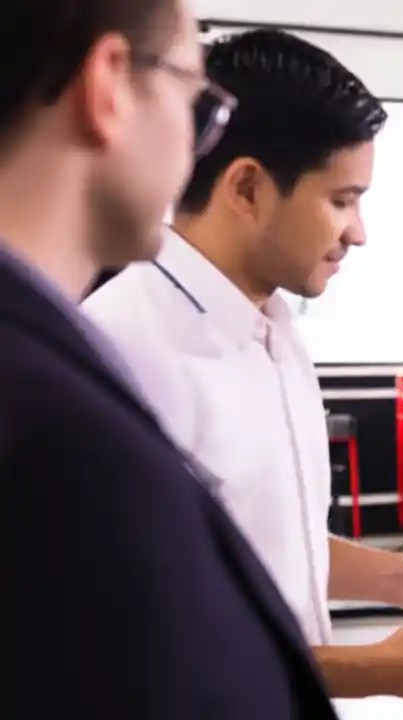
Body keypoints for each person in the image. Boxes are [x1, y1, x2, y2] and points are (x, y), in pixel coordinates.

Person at [81, 28, 403, 706]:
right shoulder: (120, 356)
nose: (359, 231)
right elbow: (124, 640)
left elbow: (269, 541)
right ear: (248, 188)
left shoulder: (274, 330)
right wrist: (371, 670)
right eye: (342, 199)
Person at [0, 1, 341, 717]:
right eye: (197, 103)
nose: (196, 148)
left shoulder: (52, 362)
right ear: (110, 87)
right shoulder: (65, 408)